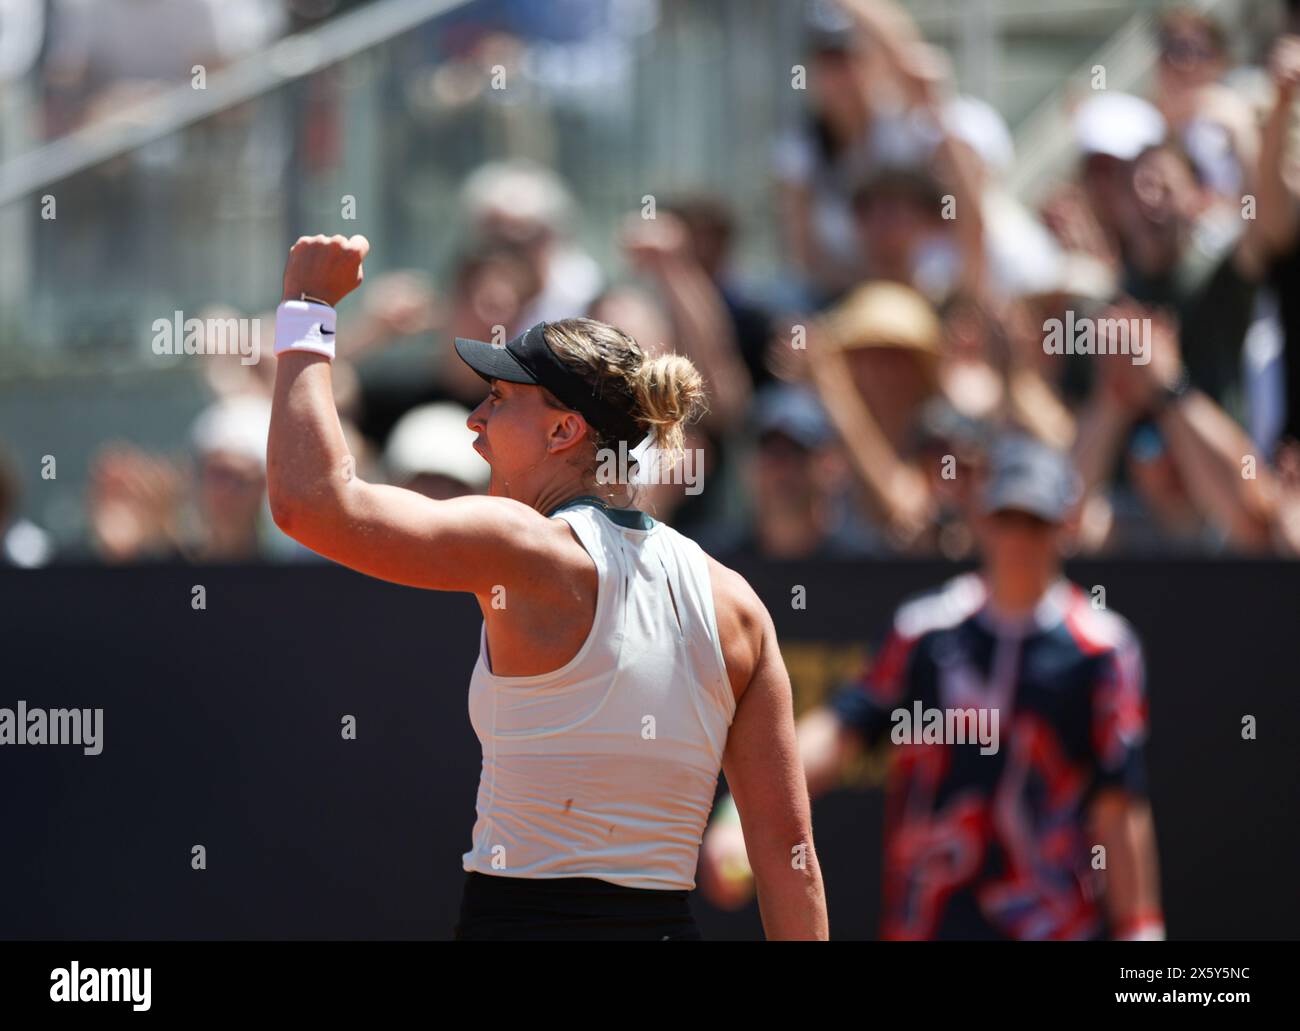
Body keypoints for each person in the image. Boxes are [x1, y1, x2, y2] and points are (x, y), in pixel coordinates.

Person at [266, 234, 828, 940]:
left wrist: (308, 307)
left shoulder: (523, 545)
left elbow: (307, 504)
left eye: (498, 399)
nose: (475, 420)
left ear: (564, 428)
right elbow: (789, 859)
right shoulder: (738, 605)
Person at [700, 437, 1163, 940]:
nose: (1019, 538)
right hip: (929, 923)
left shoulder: (1103, 650)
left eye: (1037, 522)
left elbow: (1119, 805)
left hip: (1052, 926)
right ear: (983, 520)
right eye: (1008, 519)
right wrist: (739, 816)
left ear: (1067, 526)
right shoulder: (924, 631)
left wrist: (1141, 928)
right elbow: (839, 729)